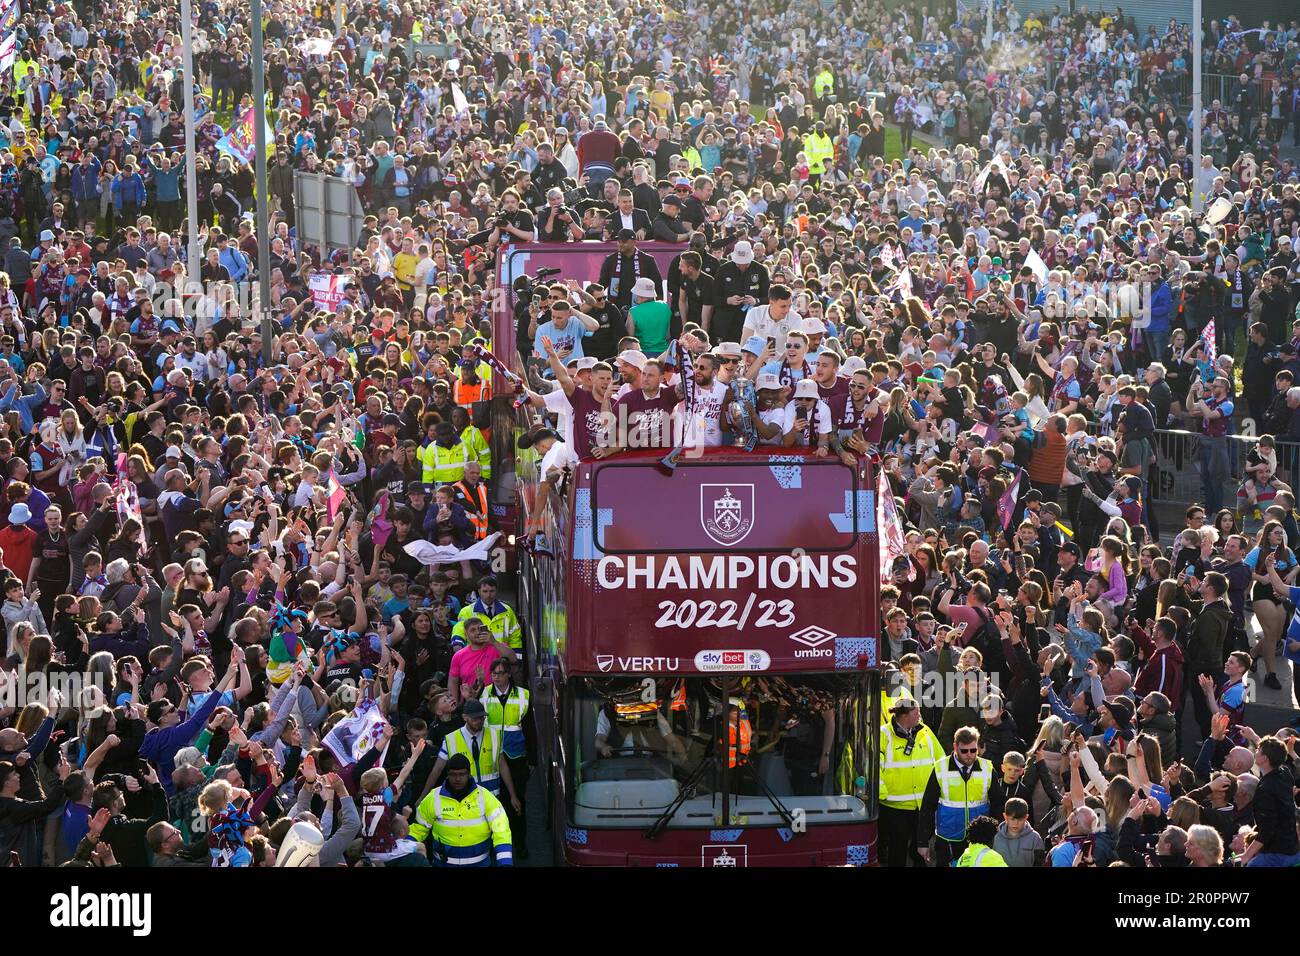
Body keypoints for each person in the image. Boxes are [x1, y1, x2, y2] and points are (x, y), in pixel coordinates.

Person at [408, 753, 513, 867]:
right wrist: (403, 849)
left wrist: (505, 863)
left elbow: (501, 832)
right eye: (453, 774)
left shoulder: (485, 798)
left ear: (469, 774)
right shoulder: (433, 798)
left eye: (462, 774)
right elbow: (418, 829)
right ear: (447, 774)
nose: (457, 779)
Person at [878, 695, 942, 868]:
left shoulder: (926, 732)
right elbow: (875, 768)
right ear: (905, 715)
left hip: (922, 805)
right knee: (897, 851)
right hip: (895, 806)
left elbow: (940, 761)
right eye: (917, 712)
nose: (920, 716)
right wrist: (883, 794)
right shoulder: (883, 735)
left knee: (920, 851)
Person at [918, 725, 994, 867]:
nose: (970, 755)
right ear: (955, 747)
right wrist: (922, 841)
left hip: (978, 839)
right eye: (964, 751)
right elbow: (928, 806)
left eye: (973, 750)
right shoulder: (940, 768)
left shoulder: (987, 768)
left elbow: (997, 802)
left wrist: (994, 834)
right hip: (948, 838)